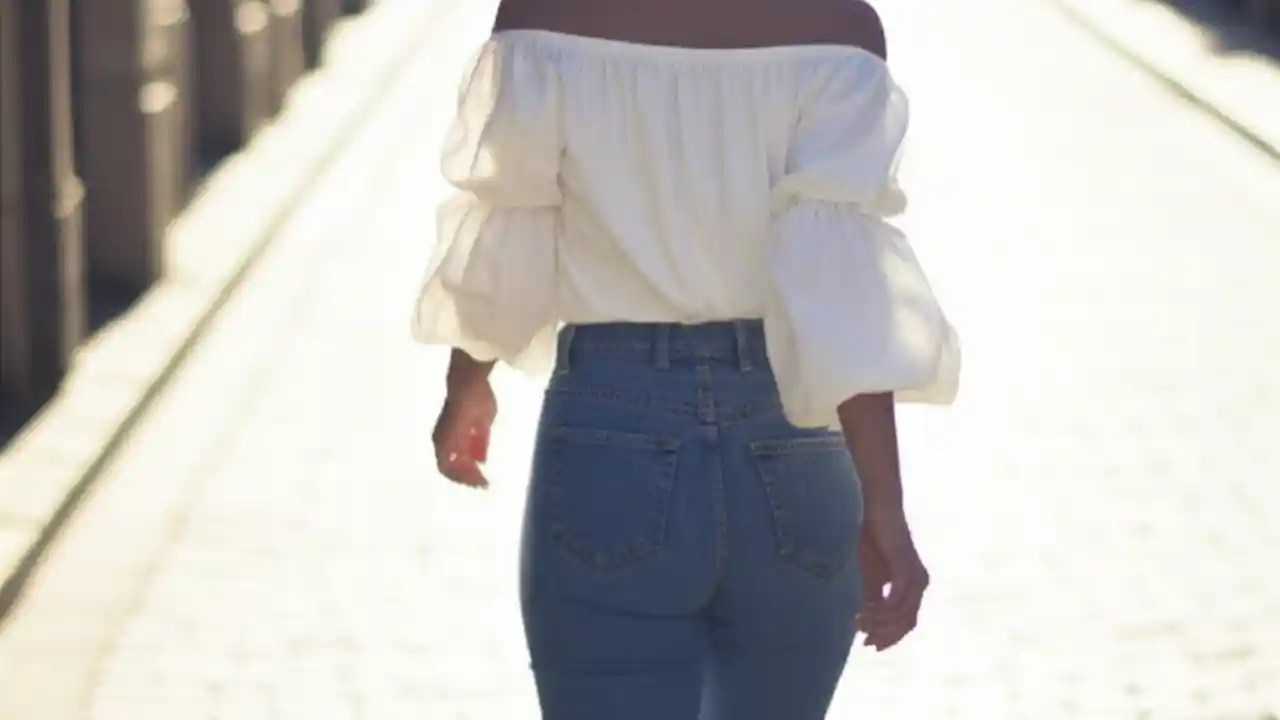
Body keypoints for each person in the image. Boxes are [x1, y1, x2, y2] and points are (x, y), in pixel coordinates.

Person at [410, 0, 960, 717]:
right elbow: (840, 290)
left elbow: (514, 217)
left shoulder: (544, 19)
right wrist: (884, 507)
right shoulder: (839, 28)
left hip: (609, 421)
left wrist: (469, 379)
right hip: (793, 435)